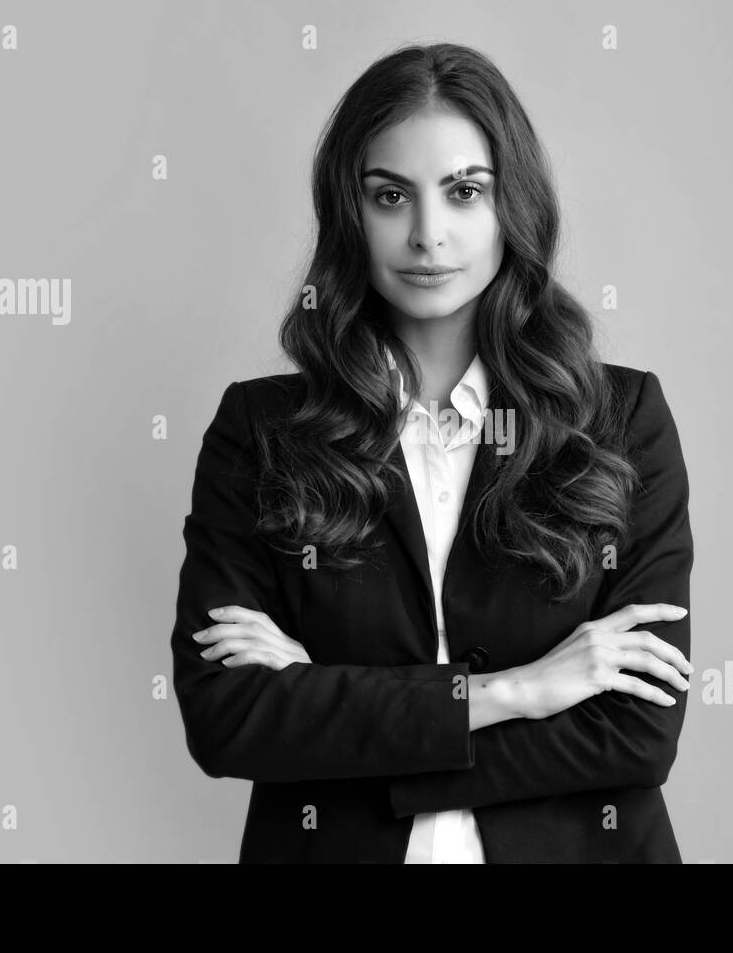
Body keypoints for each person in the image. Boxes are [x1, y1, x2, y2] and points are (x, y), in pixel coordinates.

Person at [170, 42, 695, 863]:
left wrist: (332, 717)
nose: (427, 235)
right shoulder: (262, 430)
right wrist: (515, 692)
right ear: (351, 211)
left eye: (463, 192)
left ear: (509, 204)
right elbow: (228, 719)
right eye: (390, 196)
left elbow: (635, 734)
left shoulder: (620, 419)